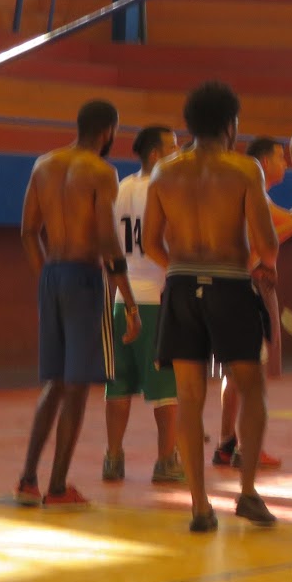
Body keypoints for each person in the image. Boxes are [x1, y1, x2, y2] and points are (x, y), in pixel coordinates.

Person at [145, 82, 280, 532]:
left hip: (181, 288)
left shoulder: (164, 171)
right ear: (230, 125)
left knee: (189, 398)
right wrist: (256, 264)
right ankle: (246, 493)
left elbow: (149, 242)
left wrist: (179, 268)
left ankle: (200, 506)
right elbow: (268, 244)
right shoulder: (244, 171)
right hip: (230, 287)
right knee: (252, 388)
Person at [17, 100, 138, 510]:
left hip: (52, 274)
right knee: (77, 386)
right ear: (107, 131)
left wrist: (47, 278)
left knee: (53, 381)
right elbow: (106, 239)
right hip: (84, 278)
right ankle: (58, 486)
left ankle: (27, 479)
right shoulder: (102, 172)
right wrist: (129, 298)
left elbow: (28, 231)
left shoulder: (43, 165)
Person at [214, 135, 292, 471]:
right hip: (249, 288)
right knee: (251, 370)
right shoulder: (253, 191)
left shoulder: (240, 188)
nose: (285, 163)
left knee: (234, 369)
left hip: (227, 286)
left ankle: (228, 443)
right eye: (280, 158)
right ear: (264, 161)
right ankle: (246, 447)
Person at [103, 126, 184, 487]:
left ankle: (113, 458)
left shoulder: (121, 188)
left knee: (119, 387)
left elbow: (111, 245)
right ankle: (166, 460)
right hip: (155, 298)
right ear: (155, 154)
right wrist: (179, 271)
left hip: (122, 298)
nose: (179, 153)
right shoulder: (165, 189)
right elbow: (159, 243)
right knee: (166, 390)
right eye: (173, 147)